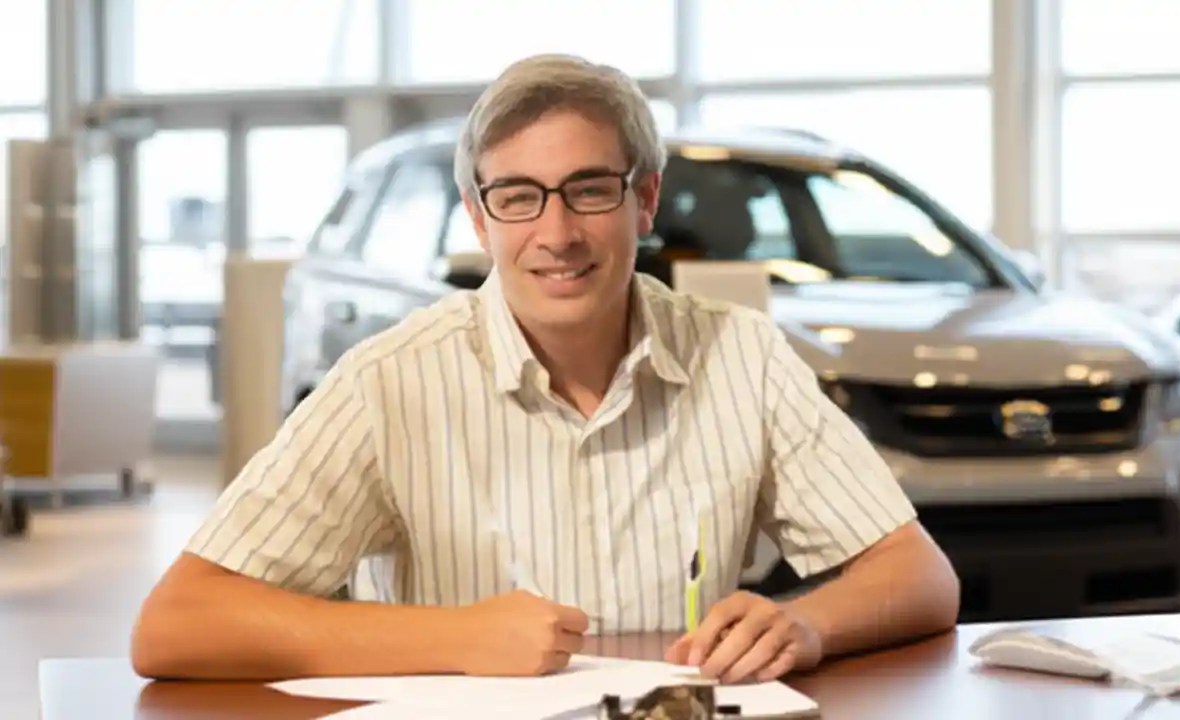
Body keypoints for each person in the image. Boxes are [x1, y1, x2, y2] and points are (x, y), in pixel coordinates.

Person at [130, 53, 960, 684]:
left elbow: (918, 576)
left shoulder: (742, 354)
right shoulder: (389, 382)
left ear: (643, 200)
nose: (555, 233)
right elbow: (175, 624)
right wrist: (452, 638)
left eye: (588, 190)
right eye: (519, 197)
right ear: (480, 219)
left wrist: (807, 625)